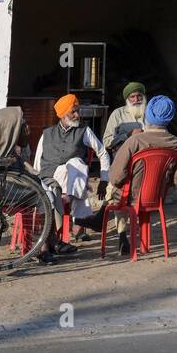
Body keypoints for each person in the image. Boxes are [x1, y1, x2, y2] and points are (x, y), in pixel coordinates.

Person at [104, 95, 177, 257]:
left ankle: (121, 234)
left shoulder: (134, 141)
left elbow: (116, 176)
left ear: (148, 115)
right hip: (157, 198)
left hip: (131, 197)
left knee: (114, 189)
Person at [34, 94, 111, 256]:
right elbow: (36, 163)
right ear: (62, 115)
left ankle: (69, 199)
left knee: (75, 162)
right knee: (52, 191)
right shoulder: (47, 134)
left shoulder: (84, 131)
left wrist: (104, 179)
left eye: (78, 111)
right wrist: (37, 183)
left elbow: (102, 153)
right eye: (73, 112)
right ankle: (79, 220)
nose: (77, 115)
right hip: (49, 178)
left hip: (71, 180)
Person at [102, 82, 147, 155]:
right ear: (127, 99)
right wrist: (127, 136)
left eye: (139, 96)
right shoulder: (118, 114)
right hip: (124, 156)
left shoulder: (150, 113)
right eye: (132, 97)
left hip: (145, 154)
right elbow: (106, 142)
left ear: (143, 97)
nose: (136, 100)